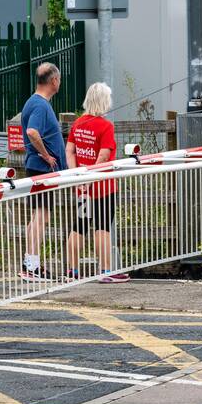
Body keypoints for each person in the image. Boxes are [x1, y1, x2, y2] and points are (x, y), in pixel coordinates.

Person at [65, 82, 129, 283]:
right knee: (102, 227)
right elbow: (103, 156)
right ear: (104, 101)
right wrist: (92, 178)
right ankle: (105, 271)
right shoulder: (106, 126)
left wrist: (78, 176)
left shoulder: (78, 123)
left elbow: (69, 151)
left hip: (82, 187)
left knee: (79, 226)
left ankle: (72, 271)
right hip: (103, 186)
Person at [20, 63, 65, 281]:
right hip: (41, 168)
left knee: (38, 215)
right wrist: (47, 156)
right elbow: (32, 131)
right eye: (60, 79)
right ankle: (32, 265)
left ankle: (30, 262)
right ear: (54, 80)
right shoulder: (40, 106)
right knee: (42, 216)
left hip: (37, 167)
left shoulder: (34, 102)